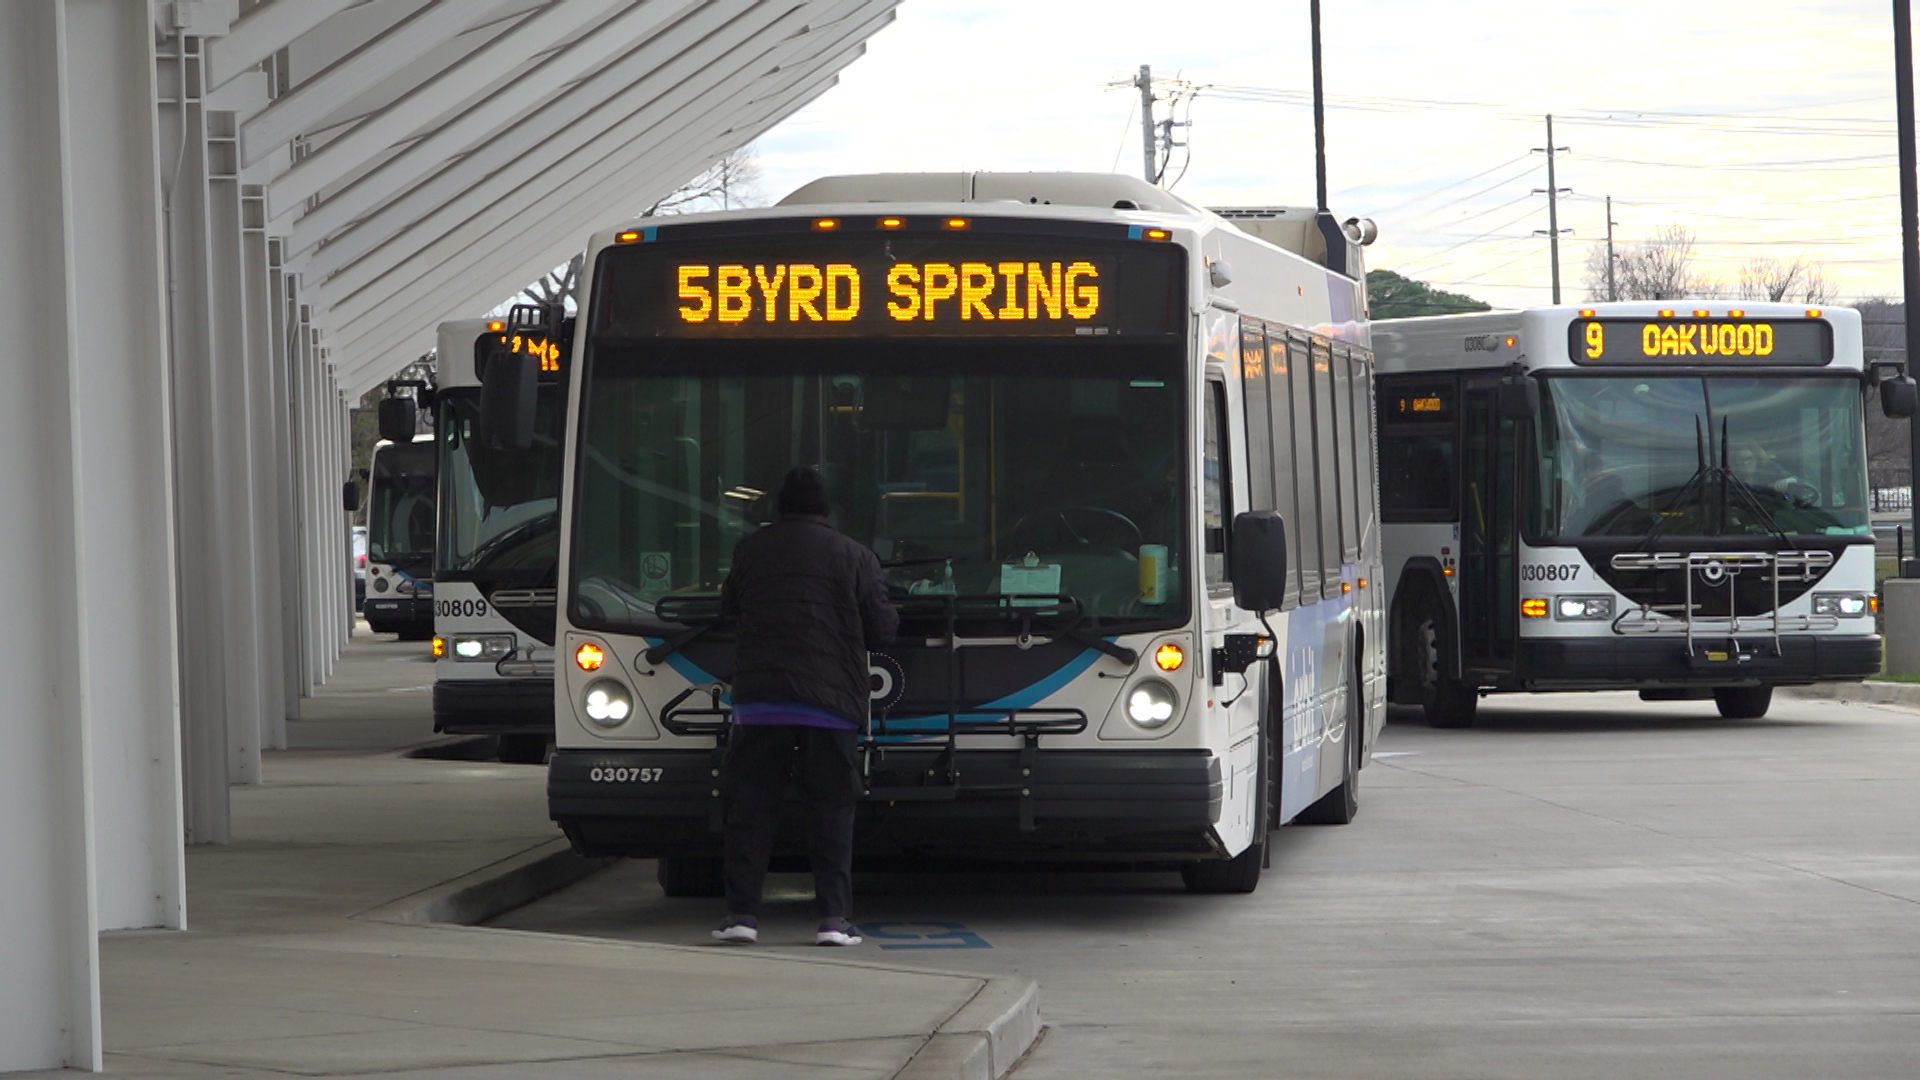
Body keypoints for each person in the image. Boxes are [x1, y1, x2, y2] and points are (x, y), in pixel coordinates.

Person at [710, 466, 898, 946]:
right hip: (830, 706)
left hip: (761, 703)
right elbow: (882, 630)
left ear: (780, 507)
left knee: (751, 808)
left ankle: (741, 916)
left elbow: (728, 608)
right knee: (832, 812)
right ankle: (833, 920)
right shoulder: (856, 556)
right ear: (826, 509)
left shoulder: (751, 550)